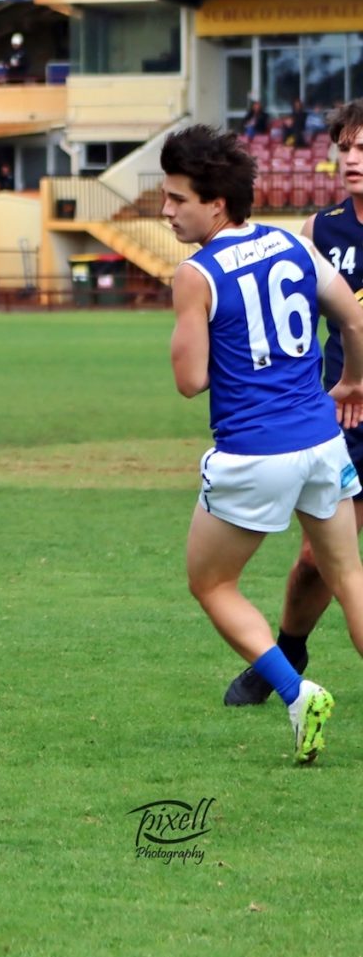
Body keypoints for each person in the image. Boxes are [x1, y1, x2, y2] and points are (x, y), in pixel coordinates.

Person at [162, 124, 363, 764]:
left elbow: (190, 382)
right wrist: (352, 380)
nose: (167, 211)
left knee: (212, 584)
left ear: (216, 203)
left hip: (255, 452)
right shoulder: (291, 242)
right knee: (350, 576)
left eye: (177, 199)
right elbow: (353, 316)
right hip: (323, 441)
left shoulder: (195, 272)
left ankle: (296, 693)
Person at [224, 101, 363, 707]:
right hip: (343, 416)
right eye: (346, 146)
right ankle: (288, 653)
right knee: (315, 562)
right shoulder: (320, 230)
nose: (352, 159)